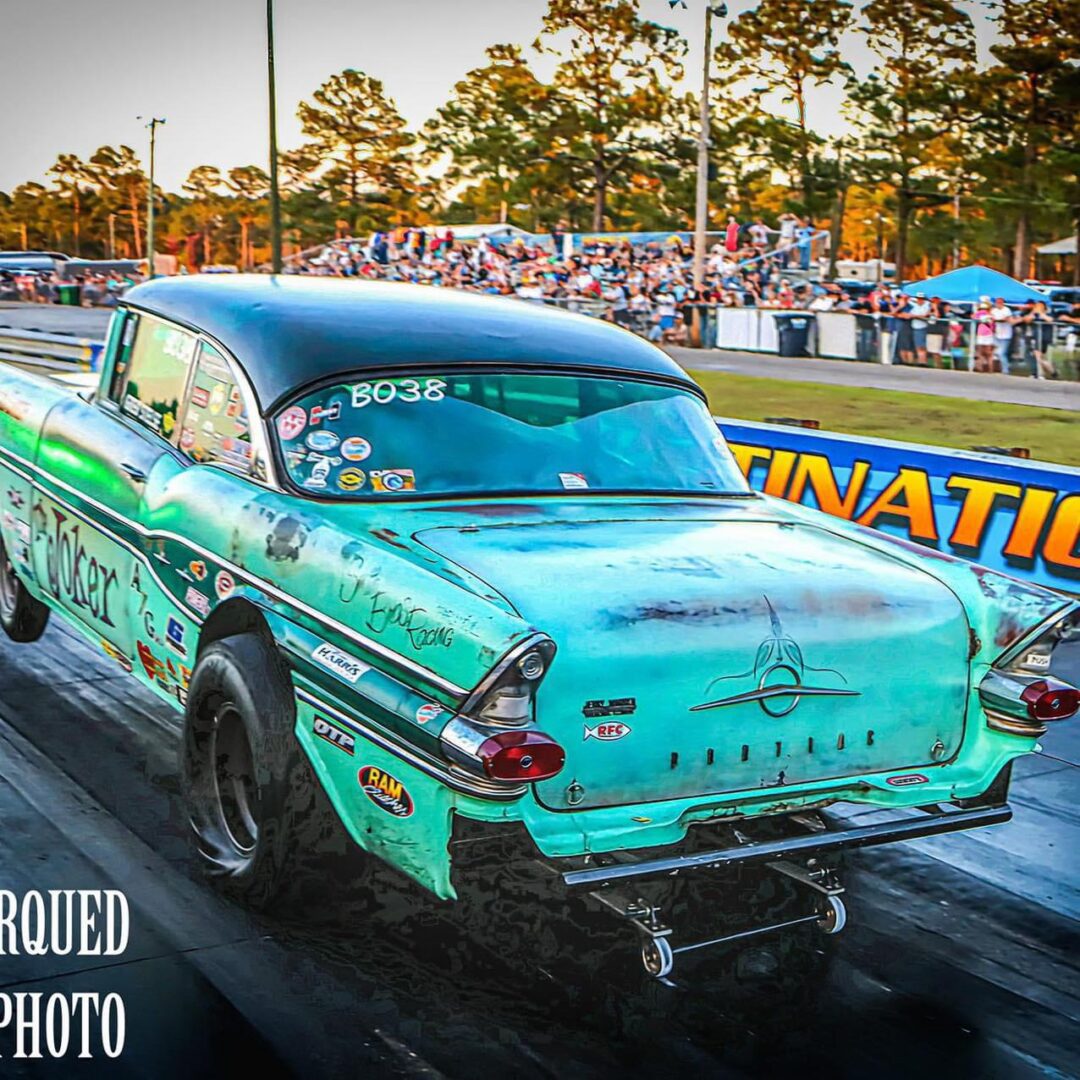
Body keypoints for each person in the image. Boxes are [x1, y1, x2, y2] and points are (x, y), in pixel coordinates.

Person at [1017, 300, 1056, 379]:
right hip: (1035, 338)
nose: (1038, 308)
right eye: (1037, 306)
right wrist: (1033, 312)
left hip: (1044, 338)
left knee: (1039, 357)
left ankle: (1051, 372)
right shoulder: (1034, 314)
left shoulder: (1048, 313)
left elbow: (1050, 320)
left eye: (1040, 306)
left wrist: (1041, 313)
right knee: (1037, 356)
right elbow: (1027, 320)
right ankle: (1041, 373)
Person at [990, 297, 1015, 374]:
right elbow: (991, 318)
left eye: (1000, 302)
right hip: (997, 334)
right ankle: (999, 367)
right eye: (997, 302)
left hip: (1006, 335)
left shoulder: (1006, 310)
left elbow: (1005, 319)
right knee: (996, 352)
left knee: (1002, 353)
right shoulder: (994, 310)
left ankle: (1005, 370)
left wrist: (996, 320)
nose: (998, 304)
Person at [907, 291, 932, 366]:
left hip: (922, 327)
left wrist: (915, 316)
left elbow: (925, 316)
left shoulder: (927, 306)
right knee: (918, 345)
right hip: (915, 327)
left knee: (921, 346)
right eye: (918, 298)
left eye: (921, 299)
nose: (919, 300)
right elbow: (910, 314)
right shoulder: (915, 306)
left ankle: (923, 361)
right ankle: (920, 360)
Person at [972, 297, 996, 373]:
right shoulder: (990, 314)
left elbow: (973, 316)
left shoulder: (981, 313)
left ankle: (981, 367)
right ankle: (989, 368)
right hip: (989, 334)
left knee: (981, 352)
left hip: (982, 334)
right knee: (988, 353)